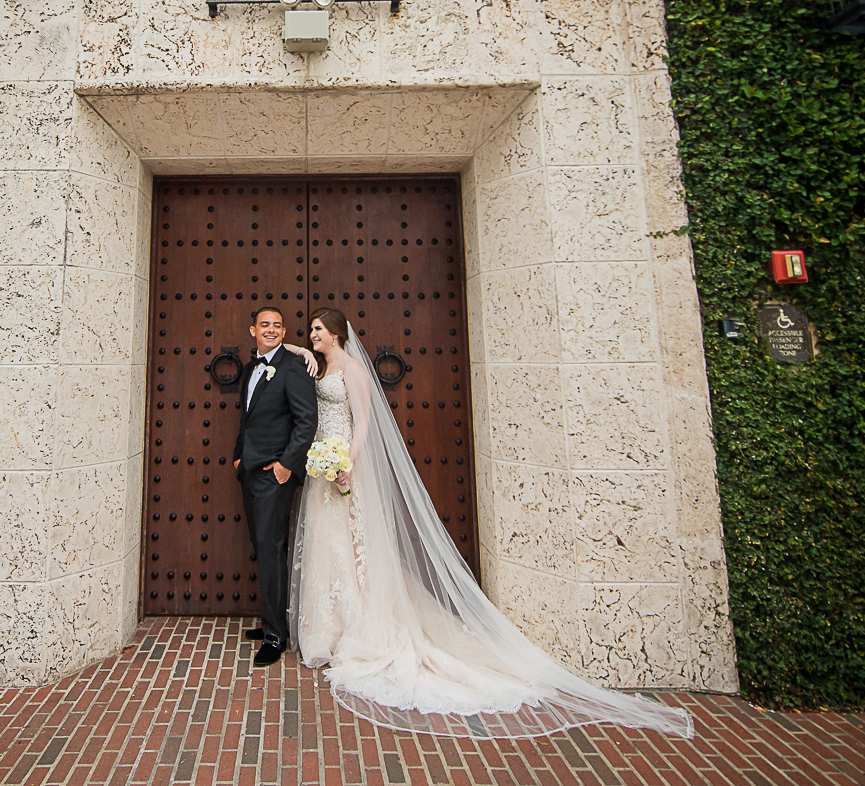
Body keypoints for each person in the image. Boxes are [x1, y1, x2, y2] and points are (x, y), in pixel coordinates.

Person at [285, 307, 695, 740]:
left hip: (347, 465)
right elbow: (296, 360)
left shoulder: (351, 369)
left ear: (335, 334)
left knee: (354, 546)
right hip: (320, 468)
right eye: (310, 330)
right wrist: (296, 349)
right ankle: (330, 629)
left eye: (317, 330)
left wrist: (347, 461)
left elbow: (363, 420)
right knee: (328, 546)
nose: (311, 335)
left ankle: (359, 628)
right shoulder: (319, 364)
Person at [231, 306, 318, 668]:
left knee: (271, 548)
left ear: (284, 332)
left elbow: (306, 420)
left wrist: (285, 467)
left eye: (277, 325)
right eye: (264, 324)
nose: (270, 329)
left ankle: (274, 636)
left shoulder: (293, 368)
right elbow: (247, 421)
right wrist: (238, 456)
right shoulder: (251, 369)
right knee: (262, 546)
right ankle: (271, 621)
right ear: (253, 330)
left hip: (274, 474)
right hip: (250, 470)